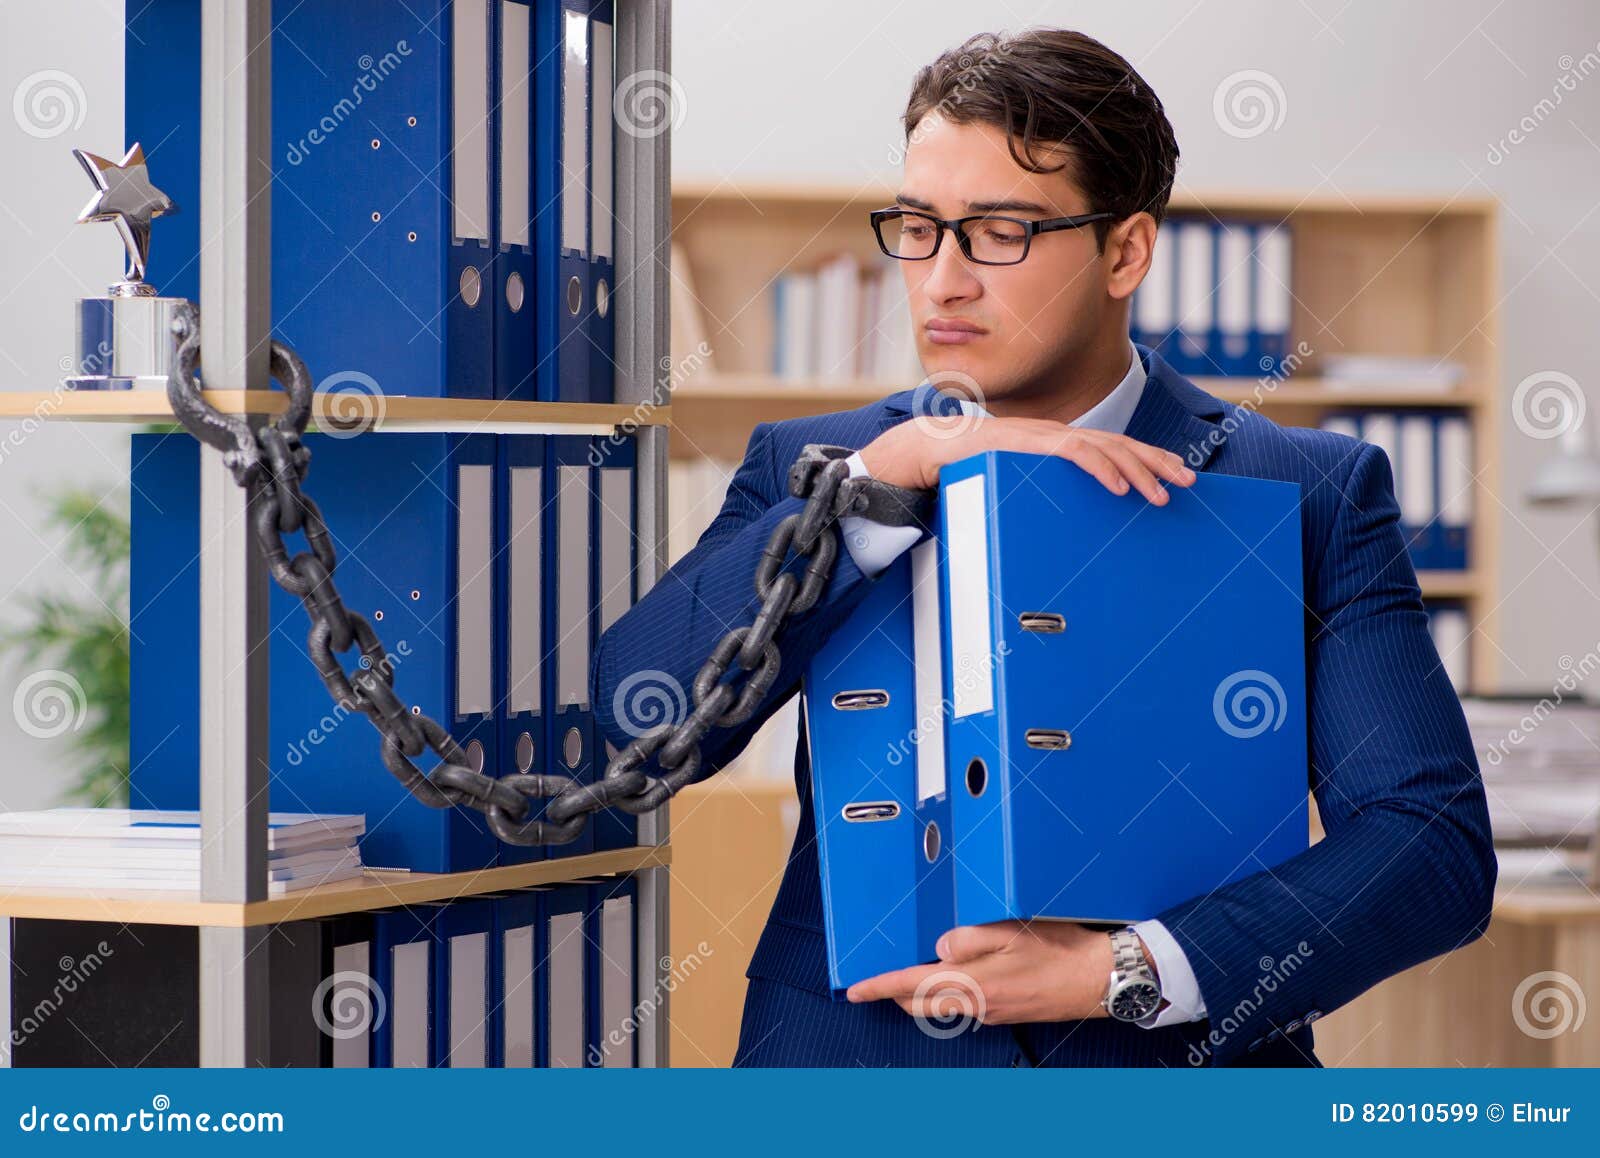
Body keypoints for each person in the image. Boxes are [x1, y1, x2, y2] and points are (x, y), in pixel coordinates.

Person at [593, 27, 1496, 1067]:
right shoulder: (819, 466)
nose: (941, 281)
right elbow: (631, 728)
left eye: (1000, 233)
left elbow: (1428, 842)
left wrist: (1125, 970)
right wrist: (881, 482)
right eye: (918, 229)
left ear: (1126, 252)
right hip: (850, 1065)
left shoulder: (1307, 491)